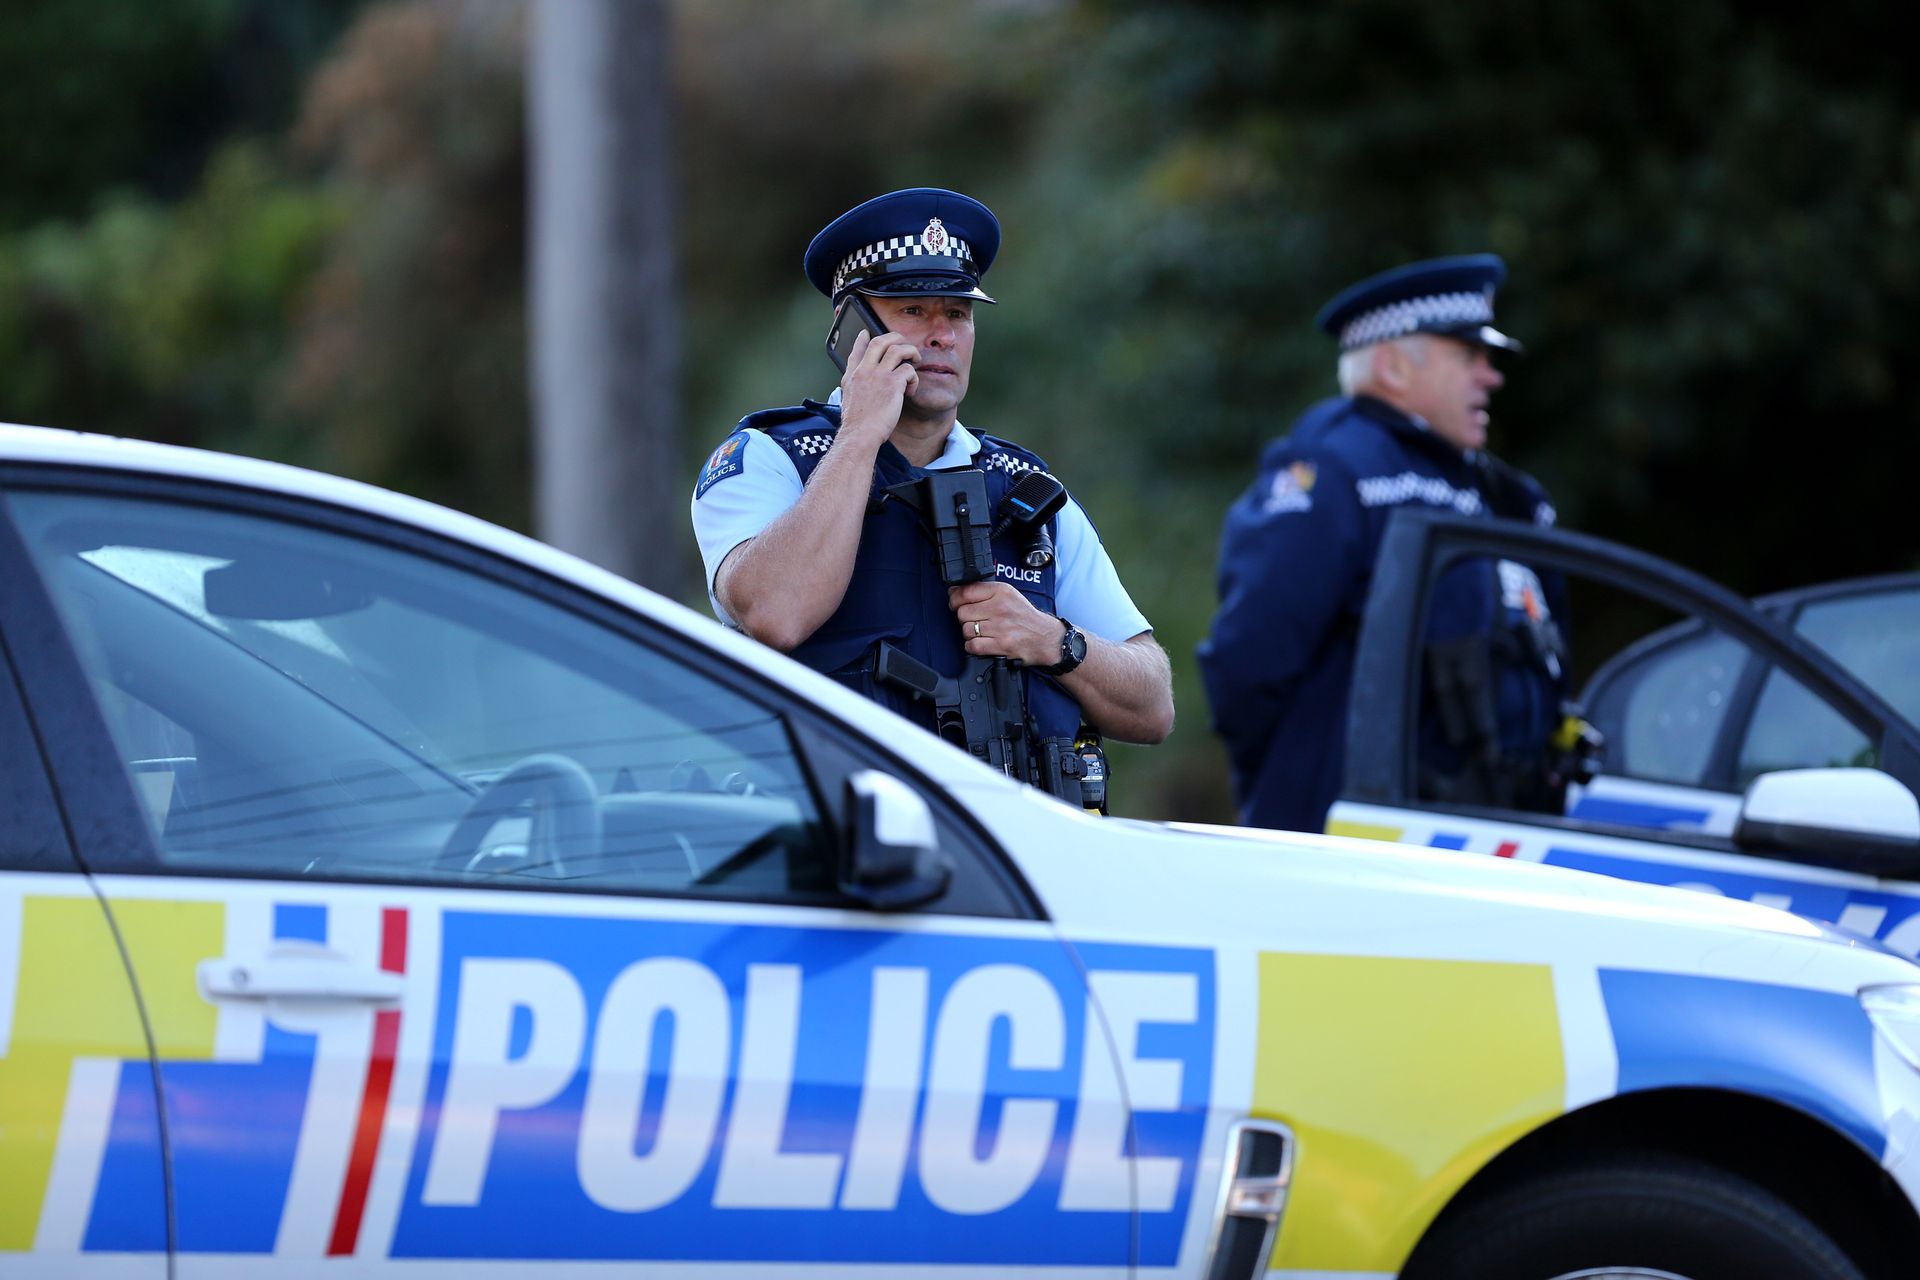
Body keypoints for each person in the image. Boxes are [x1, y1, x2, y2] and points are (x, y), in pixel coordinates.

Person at [691, 187, 1174, 789]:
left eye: (958, 313)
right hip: (832, 850)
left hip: (1018, 853)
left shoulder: (1029, 490)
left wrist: (1056, 641)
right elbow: (776, 614)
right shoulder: (769, 459)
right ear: (853, 331)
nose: (942, 335)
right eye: (912, 311)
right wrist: (861, 436)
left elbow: (1153, 703)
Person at [1197, 254, 1567, 832]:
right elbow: (1249, 665)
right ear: (1393, 367)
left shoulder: (1506, 495)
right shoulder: (1335, 470)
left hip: (1490, 842)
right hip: (1357, 845)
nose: (1491, 376)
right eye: (1469, 355)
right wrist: (1293, 791)